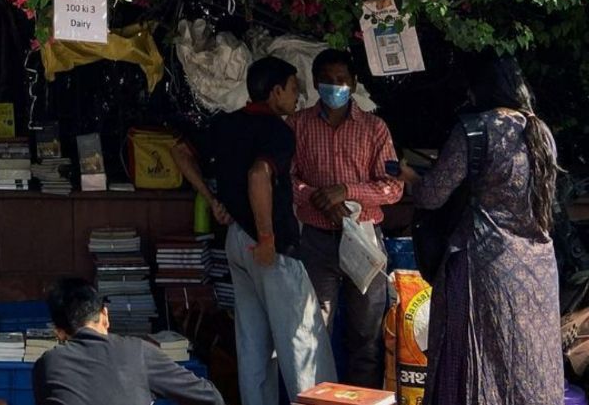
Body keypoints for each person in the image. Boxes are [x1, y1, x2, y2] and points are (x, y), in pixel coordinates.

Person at [399, 55, 561, 405]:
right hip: (537, 270)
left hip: (484, 266)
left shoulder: (476, 129)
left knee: (473, 356)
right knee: (529, 359)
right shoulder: (541, 131)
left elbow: (432, 194)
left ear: (477, 88)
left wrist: (412, 180)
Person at [210, 57, 335, 404]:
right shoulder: (276, 131)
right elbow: (258, 176)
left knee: (253, 343)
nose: (298, 96)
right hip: (270, 246)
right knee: (302, 339)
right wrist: (267, 237)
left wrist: (213, 200)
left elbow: (180, 150)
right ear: (275, 90)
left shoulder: (227, 124)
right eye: (294, 88)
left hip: (236, 240)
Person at [288, 48, 402, 388]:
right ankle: (317, 397)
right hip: (317, 240)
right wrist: (317, 197)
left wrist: (345, 192)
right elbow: (285, 179)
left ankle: (362, 398)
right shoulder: (297, 126)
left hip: (364, 239)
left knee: (366, 336)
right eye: (326, 80)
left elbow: (393, 188)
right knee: (312, 331)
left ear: (353, 84)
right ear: (314, 82)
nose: (333, 86)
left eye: (340, 80)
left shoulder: (374, 129)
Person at [32, 277, 225, 405]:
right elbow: (210, 397)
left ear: (59, 333)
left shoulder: (48, 364)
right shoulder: (137, 351)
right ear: (105, 316)